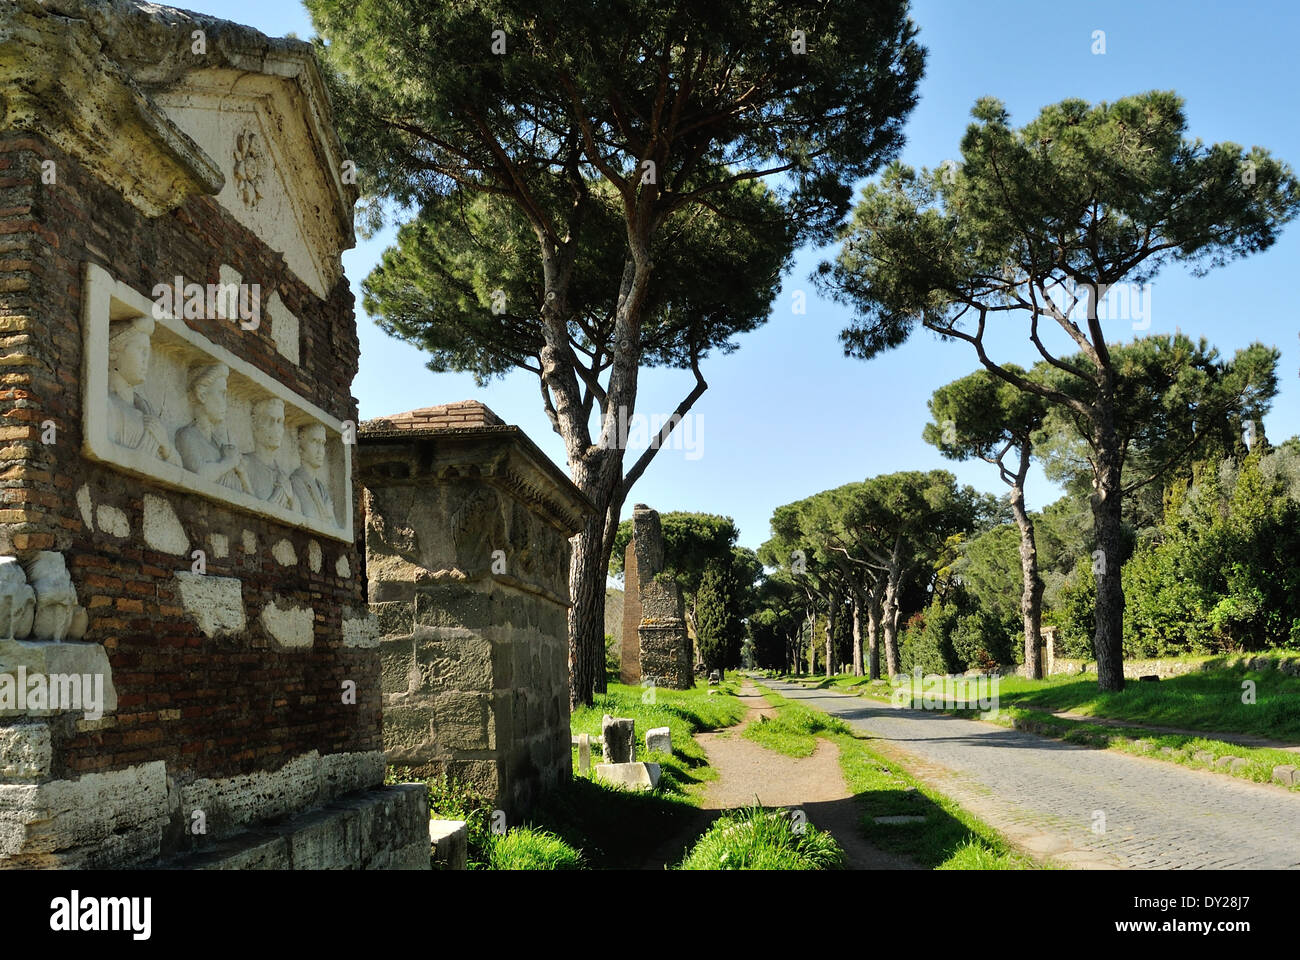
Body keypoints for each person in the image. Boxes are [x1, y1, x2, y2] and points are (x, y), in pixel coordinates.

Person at [106, 314, 177, 463]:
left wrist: (165, 445)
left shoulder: (146, 411)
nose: (146, 359)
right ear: (113, 352)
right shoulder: (108, 405)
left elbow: (179, 467)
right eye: (140, 350)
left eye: (148, 353)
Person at [175, 362, 248, 492]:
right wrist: (229, 462)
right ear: (202, 395)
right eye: (222, 393)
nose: (225, 402)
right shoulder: (187, 436)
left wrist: (242, 474)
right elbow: (200, 476)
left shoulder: (219, 445)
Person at [243, 397, 294, 508]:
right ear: (254, 424)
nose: (276, 428)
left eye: (280, 422)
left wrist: (290, 497)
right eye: (270, 420)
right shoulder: (244, 464)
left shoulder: (284, 477)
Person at [290, 423, 334, 522]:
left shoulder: (322, 488)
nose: (320, 451)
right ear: (301, 447)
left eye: (322, 443)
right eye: (315, 441)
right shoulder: (295, 481)